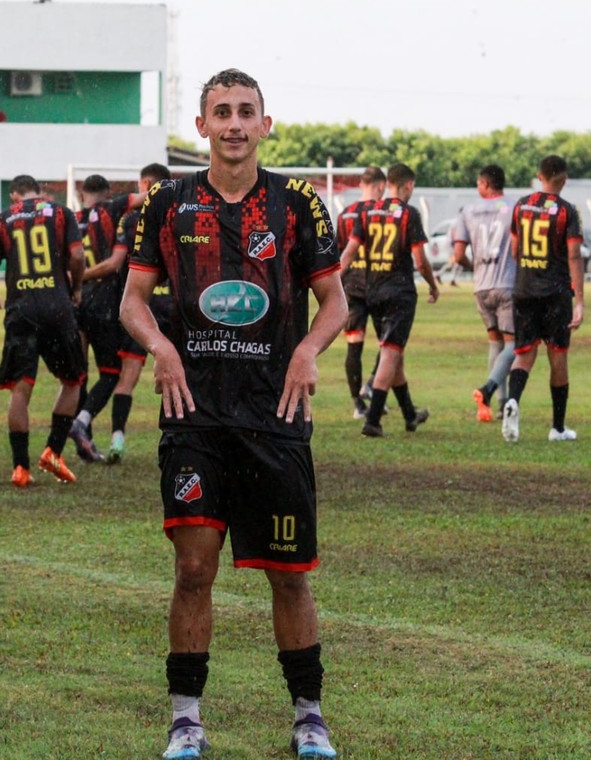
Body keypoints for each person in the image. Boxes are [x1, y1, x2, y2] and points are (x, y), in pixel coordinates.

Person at [120, 68, 346, 760]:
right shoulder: (165, 204)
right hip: (195, 413)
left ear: (266, 125)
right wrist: (159, 347)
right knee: (194, 569)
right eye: (222, 112)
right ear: (202, 127)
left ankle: (309, 715)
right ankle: (185, 718)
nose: (235, 124)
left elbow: (336, 301)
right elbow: (132, 301)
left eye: (247, 111)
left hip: (274, 412)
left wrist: (308, 349)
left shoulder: (299, 202)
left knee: (290, 573)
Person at [0, 175, 87, 486]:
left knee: (21, 388)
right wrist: (76, 288)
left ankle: (20, 468)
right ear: (39, 191)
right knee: (73, 380)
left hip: (21, 311)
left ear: (15, 195)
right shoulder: (61, 213)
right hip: (57, 309)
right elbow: (78, 256)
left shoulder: (4, 218)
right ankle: (53, 450)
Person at [339, 163, 439, 438]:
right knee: (391, 352)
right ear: (407, 185)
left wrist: (336, 282)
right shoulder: (409, 214)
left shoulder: (368, 212)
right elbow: (419, 259)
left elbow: (348, 252)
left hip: (372, 292)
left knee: (395, 354)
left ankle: (410, 414)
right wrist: (433, 285)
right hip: (399, 292)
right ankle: (372, 420)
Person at [90, 162, 173, 463]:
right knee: (181, 373)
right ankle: (181, 438)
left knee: (128, 378)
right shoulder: (181, 215)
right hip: (174, 305)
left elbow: (122, 263)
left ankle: (117, 440)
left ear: (147, 184)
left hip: (143, 306)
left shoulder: (132, 219)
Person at [501, 154, 585, 443]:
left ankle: (512, 401)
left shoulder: (521, 205)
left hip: (524, 289)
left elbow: (514, 250)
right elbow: (574, 255)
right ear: (564, 179)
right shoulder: (567, 211)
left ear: (539, 176)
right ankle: (558, 427)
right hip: (555, 292)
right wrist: (580, 300)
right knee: (557, 354)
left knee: (524, 354)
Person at [67, 174, 145, 462]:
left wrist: (73, 282)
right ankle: (81, 424)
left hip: (72, 303)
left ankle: (82, 441)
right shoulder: (112, 209)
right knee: (110, 373)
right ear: (107, 192)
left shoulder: (70, 218)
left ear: (81, 192)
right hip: (101, 302)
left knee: (79, 376)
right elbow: (144, 197)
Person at [450, 164, 516, 422]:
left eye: (479, 183)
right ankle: (489, 390)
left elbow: (458, 255)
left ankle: (499, 404)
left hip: (481, 286)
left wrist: (474, 266)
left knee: (494, 342)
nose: (477, 187)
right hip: (507, 284)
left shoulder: (467, 211)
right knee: (514, 345)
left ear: (486, 184)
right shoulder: (513, 207)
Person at [337, 166, 386, 419]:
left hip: (352, 288)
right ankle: (371, 384)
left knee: (354, 346)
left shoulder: (345, 214)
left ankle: (358, 404)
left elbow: (338, 253)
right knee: (389, 344)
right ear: (379, 187)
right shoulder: (382, 213)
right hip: (379, 286)